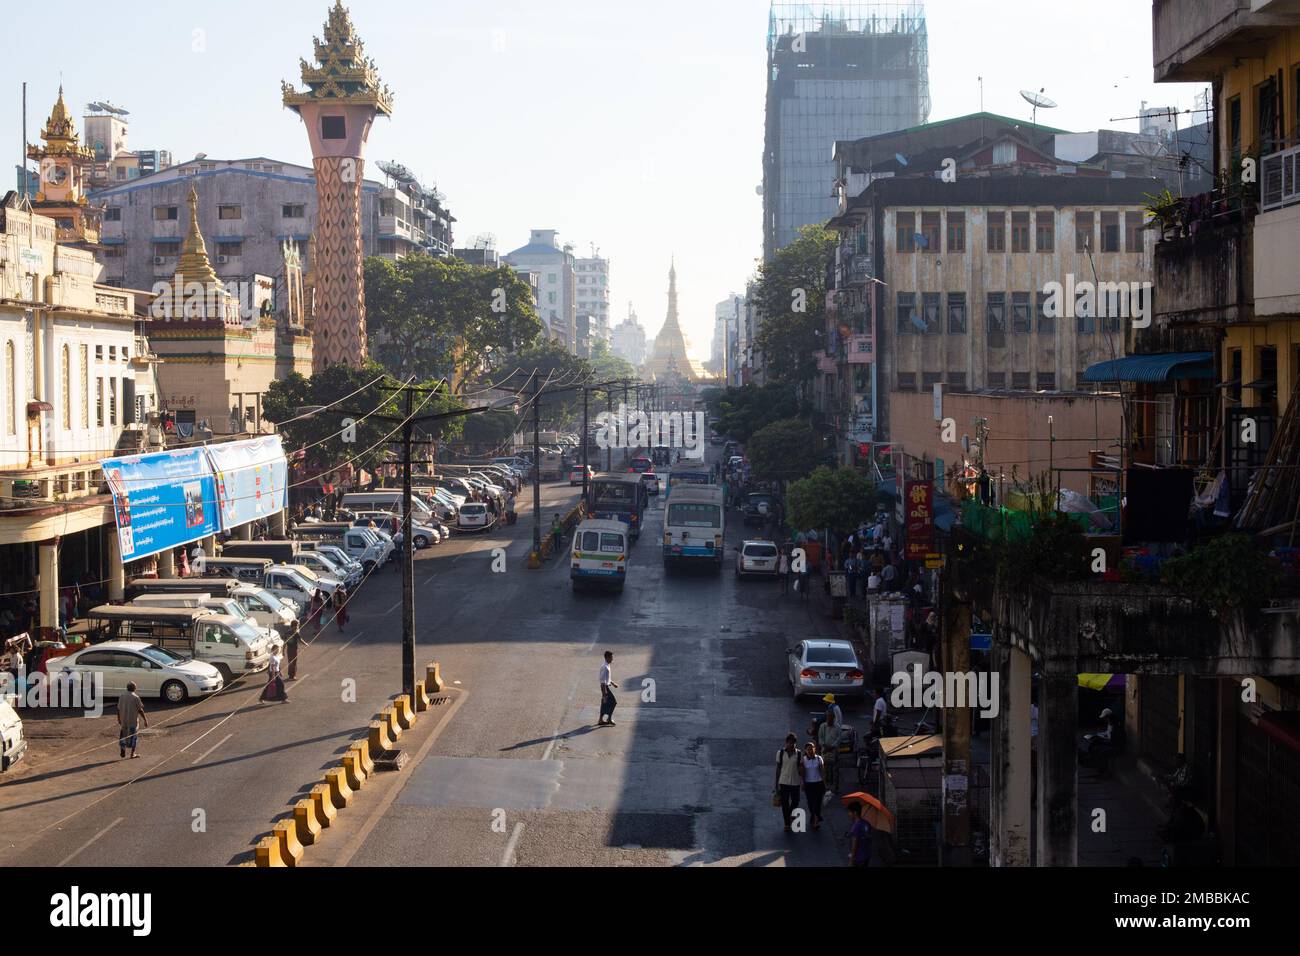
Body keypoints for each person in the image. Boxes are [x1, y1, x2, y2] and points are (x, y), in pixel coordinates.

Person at [774, 733, 803, 832]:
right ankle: (787, 823)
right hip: (784, 781)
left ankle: (790, 815)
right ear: (786, 743)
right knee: (785, 803)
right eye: (789, 743)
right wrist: (776, 784)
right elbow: (778, 769)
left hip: (795, 782)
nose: (790, 745)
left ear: (795, 743)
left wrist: (802, 781)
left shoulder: (799, 754)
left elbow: (800, 769)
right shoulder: (780, 753)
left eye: (793, 743)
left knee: (796, 801)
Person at [117, 681, 148, 758]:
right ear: (134, 688)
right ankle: (132, 754)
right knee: (134, 737)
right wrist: (145, 719)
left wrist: (119, 719)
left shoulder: (122, 696)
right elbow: (140, 710)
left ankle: (123, 749)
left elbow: (118, 709)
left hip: (123, 719)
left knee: (123, 735)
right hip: (133, 720)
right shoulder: (135, 697)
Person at [801, 742, 826, 830]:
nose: (810, 750)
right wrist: (803, 783)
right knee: (810, 803)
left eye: (812, 748)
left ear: (814, 749)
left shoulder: (819, 759)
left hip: (818, 783)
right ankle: (814, 815)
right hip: (809, 784)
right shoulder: (803, 760)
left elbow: (822, 772)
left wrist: (824, 784)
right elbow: (803, 773)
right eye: (808, 749)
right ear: (805, 750)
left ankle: (816, 821)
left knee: (818, 803)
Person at [847, 801, 872, 867]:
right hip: (866, 856)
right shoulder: (867, 823)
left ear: (855, 813)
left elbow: (854, 846)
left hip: (858, 858)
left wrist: (851, 860)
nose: (848, 814)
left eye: (849, 812)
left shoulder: (856, 826)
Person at [598, 650, 618, 726]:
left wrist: (613, 683)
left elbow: (607, 678)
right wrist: (604, 693)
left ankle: (601, 720)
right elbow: (603, 681)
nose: (612, 659)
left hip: (606, 687)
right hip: (605, 688)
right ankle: (608, 719)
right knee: (612, 702)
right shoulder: (605, 667)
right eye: (611, 657)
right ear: (607, 658)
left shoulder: (607, 665)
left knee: (605, 703)